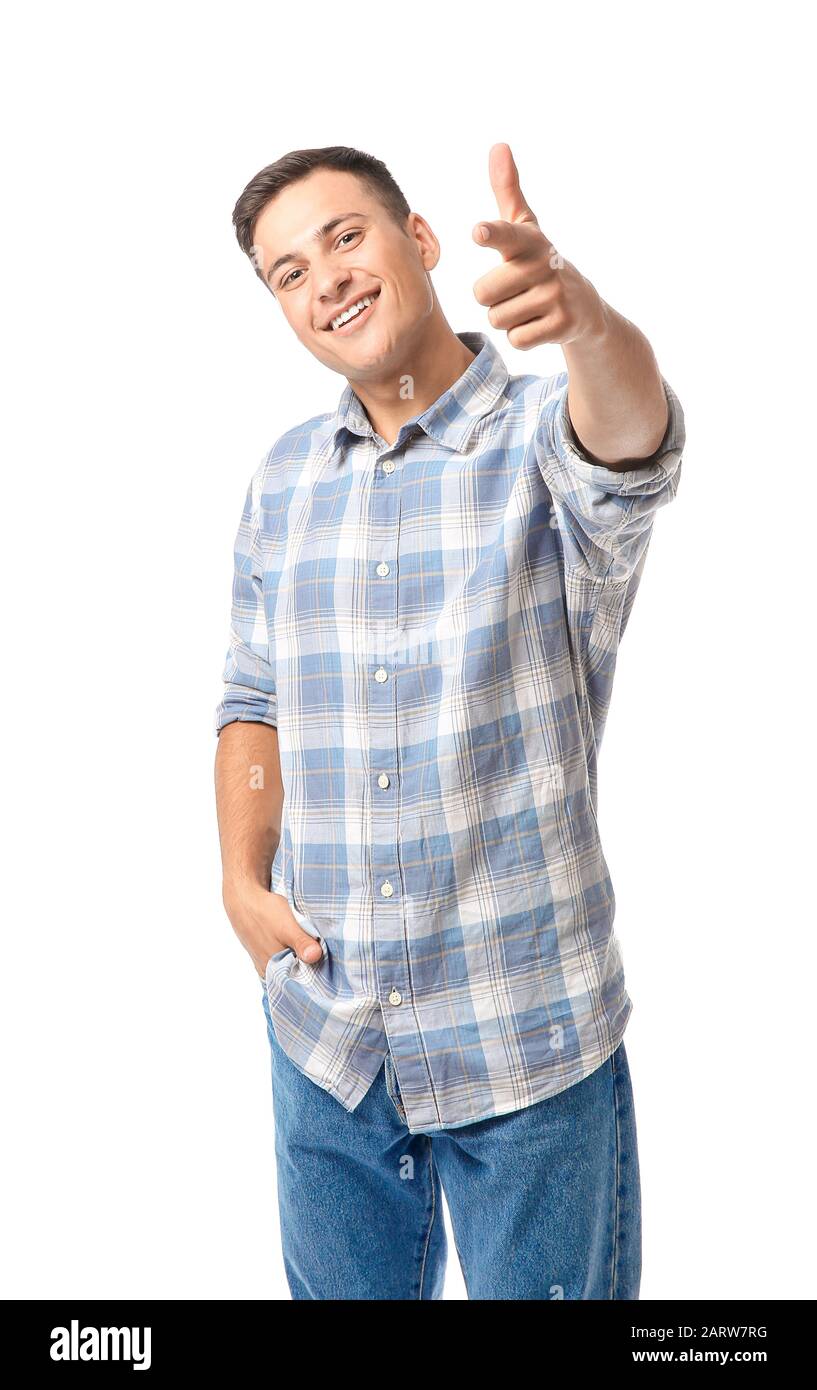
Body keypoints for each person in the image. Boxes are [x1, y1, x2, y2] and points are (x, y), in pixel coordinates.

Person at [213, 142, 686, 1300]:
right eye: (288, 272)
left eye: (345, 236)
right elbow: (253, 696)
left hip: (525, 1042)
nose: (324, 278)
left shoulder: (543, 438)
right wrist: (240, 879)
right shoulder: (285, 478)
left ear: (418, 240)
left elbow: (631, 436)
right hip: (328, 1044)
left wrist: (583, 320)